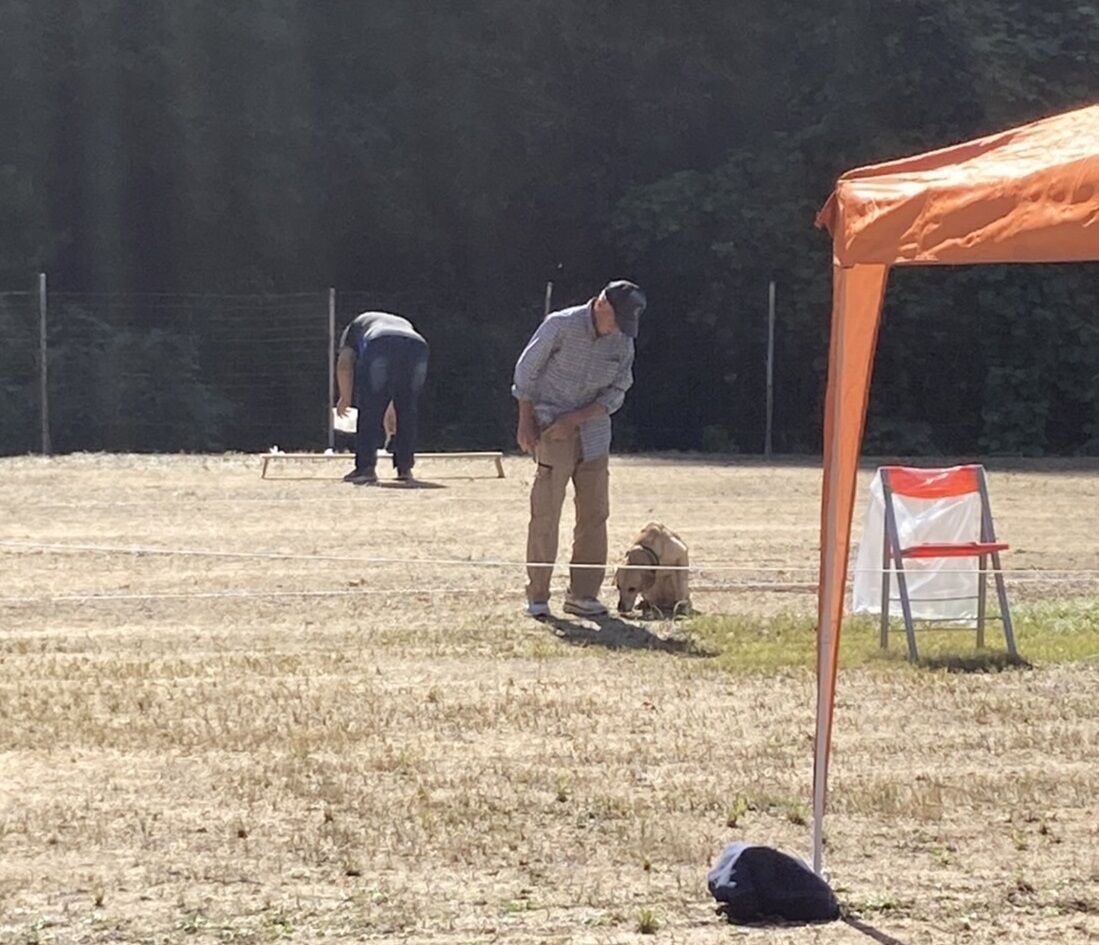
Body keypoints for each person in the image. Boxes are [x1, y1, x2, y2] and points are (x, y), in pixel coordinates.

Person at [512, 280, 647, 617]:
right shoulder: (560, 325)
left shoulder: (623, 339)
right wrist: (525, 422)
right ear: (601, 304)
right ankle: (538, 596)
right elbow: (525, 375)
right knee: (546, 513)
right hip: (550, 427)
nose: (619, 329)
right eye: (617, 319)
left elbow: (618, 390)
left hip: (595, 433)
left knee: (595, 514)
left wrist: (579, 418)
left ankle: (583, 594)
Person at [335, 311, 429, 484]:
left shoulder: (353, 328)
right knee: (407, 407)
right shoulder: (399, 321)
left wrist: (345, 398)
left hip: (379, 342)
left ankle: (366, 468)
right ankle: (405, 468)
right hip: (417, 345)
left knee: (370, 406)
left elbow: (344, 364)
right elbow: (396, 374)